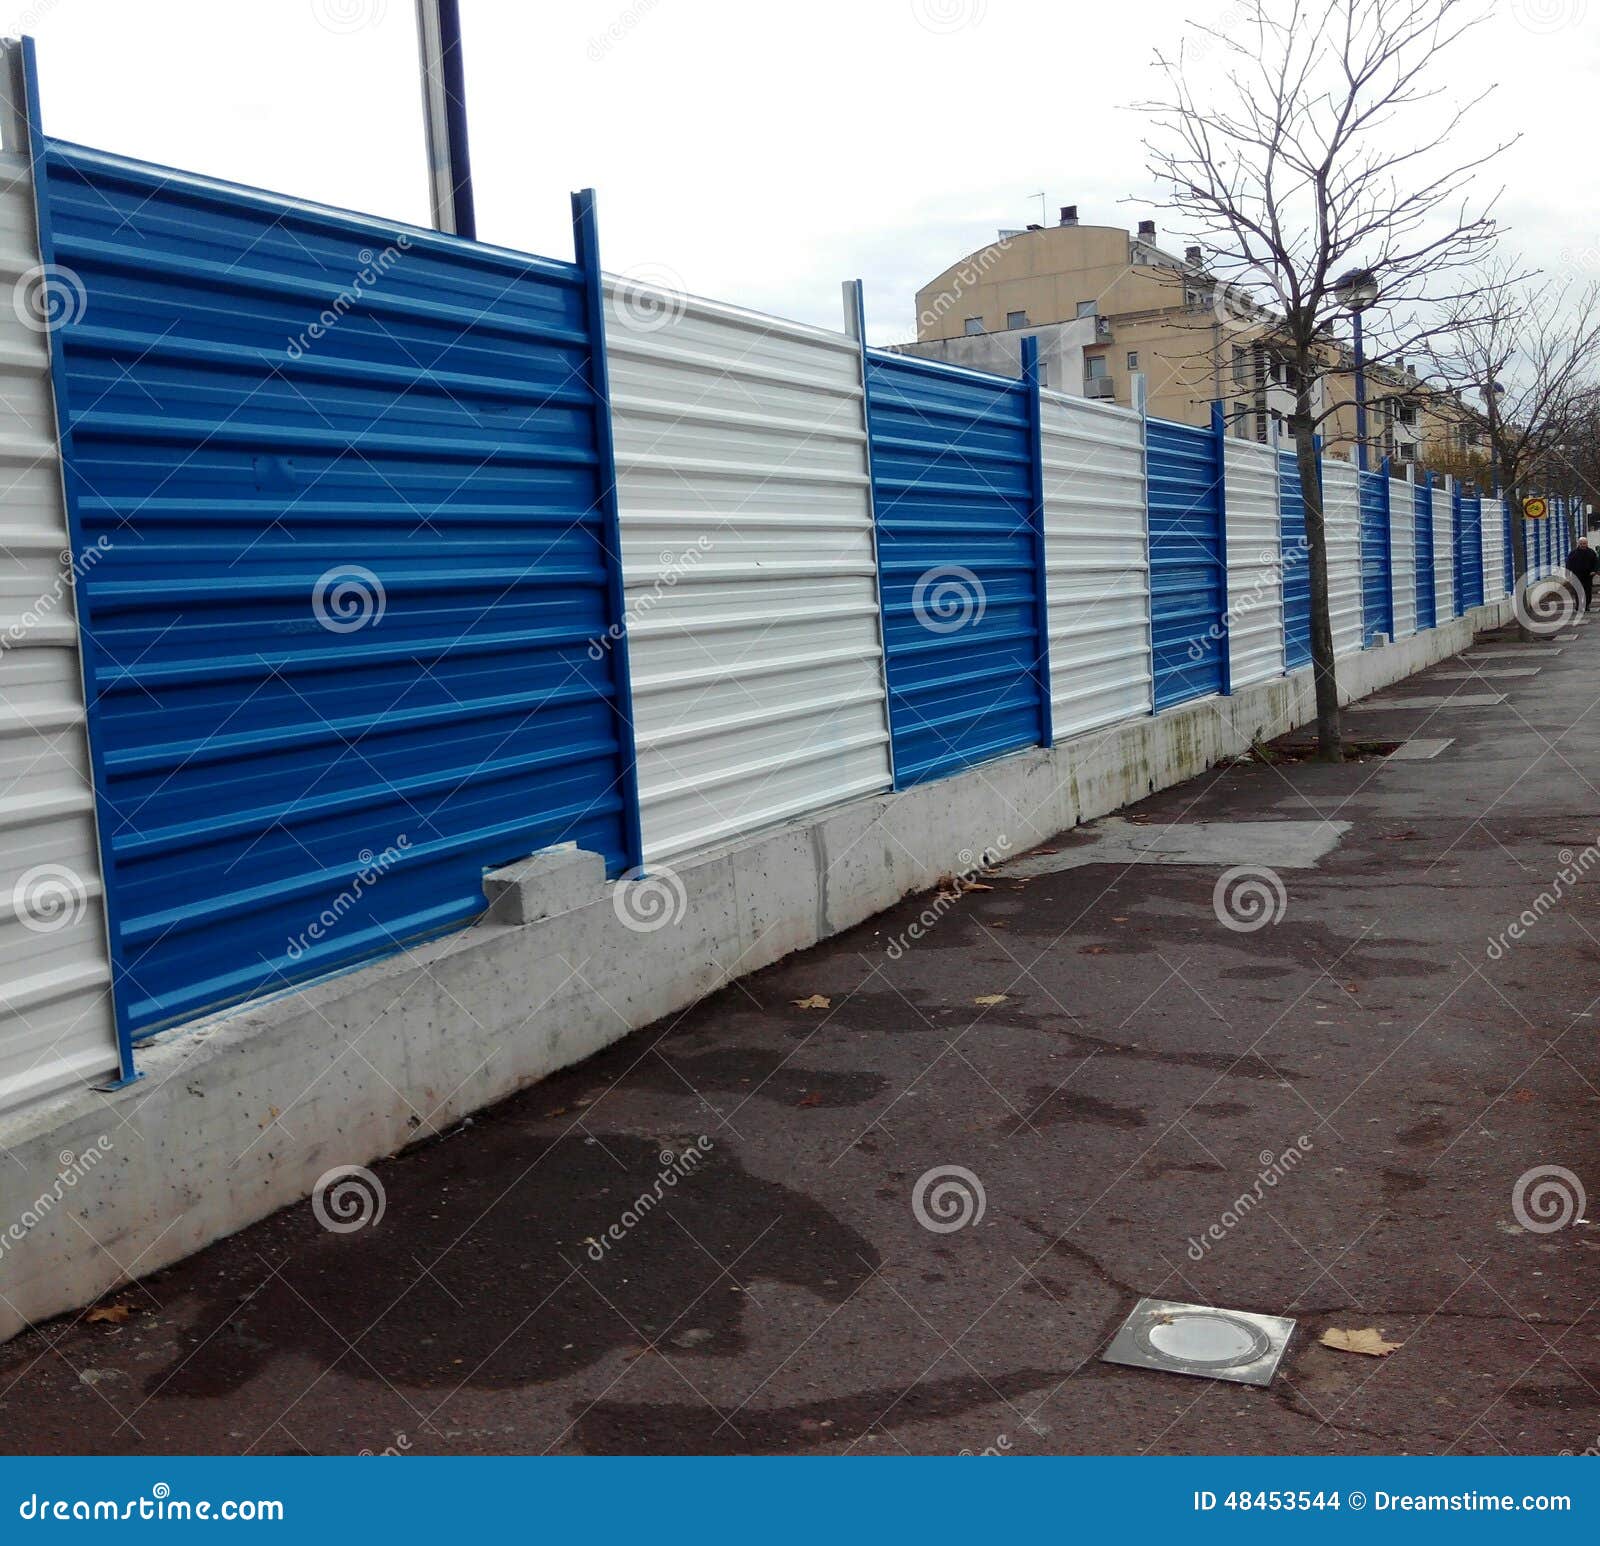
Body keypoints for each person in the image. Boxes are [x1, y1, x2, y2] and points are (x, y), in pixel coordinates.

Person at [1565, 536, 1598, 611]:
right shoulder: (1573, 553)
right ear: (1578, 544)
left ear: (1587, 544)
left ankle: (1586, 605)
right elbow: (1568, 564)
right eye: (1581, 543)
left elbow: (1596, 563)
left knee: (1587, 591)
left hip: (1588, 575)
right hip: (1577, 575)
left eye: (1584, 543)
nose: (1583, 545)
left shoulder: (1591, 552)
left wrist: (1594, 571)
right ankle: (1579, 605)